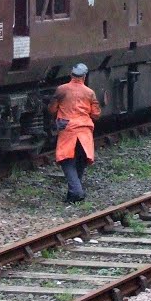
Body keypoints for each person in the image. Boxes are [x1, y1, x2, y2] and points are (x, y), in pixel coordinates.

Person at [48, 62, 100, 203]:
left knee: (67, 160)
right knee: (81, 161)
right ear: (84, 77)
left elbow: (52, 109)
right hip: (84, 132)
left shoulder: (61, 90)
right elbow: (96, 114)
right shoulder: (90, 93)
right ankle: (73, 194)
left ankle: (76, 192)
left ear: (71, 75)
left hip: (68, 130)